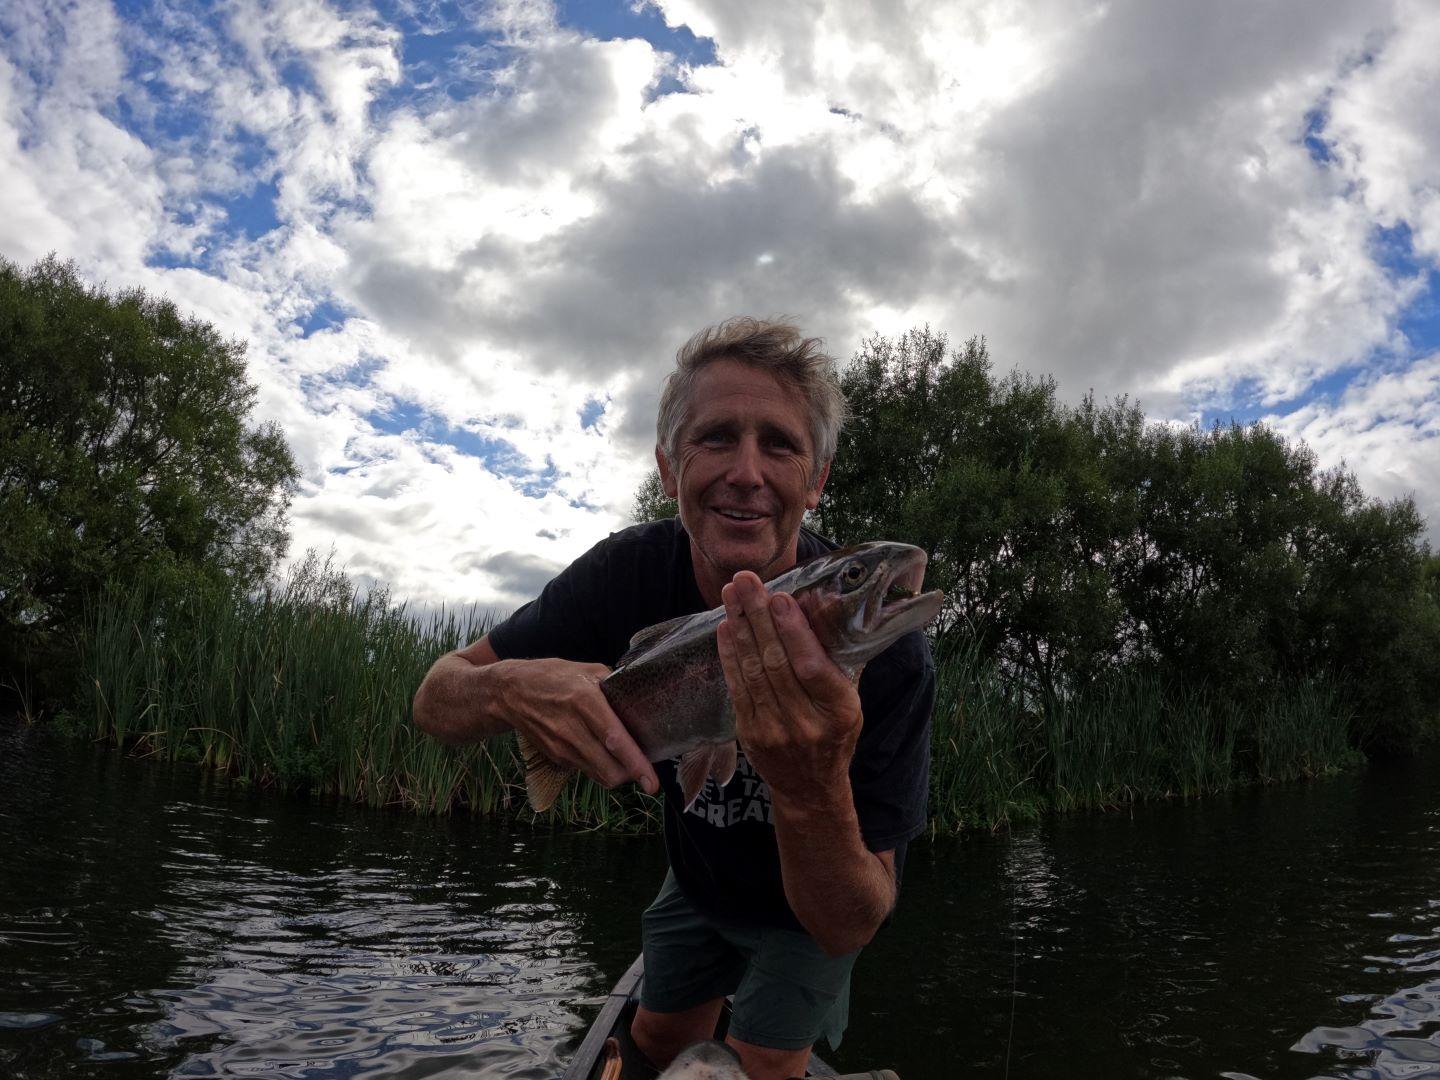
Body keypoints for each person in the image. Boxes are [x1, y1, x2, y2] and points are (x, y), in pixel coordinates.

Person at [412, 318, 934, 1080]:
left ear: (816, 480)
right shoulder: (623, 574)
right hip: (698, 881)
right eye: (716, 437)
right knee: (656, 1040)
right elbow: (434, 700)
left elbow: (851, 922)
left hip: (811, 909)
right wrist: (511, 688)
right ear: (667, 467)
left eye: (780, 445)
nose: (747, 472)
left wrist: (810, 783)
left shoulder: (893, 661)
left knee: (763, 1066)